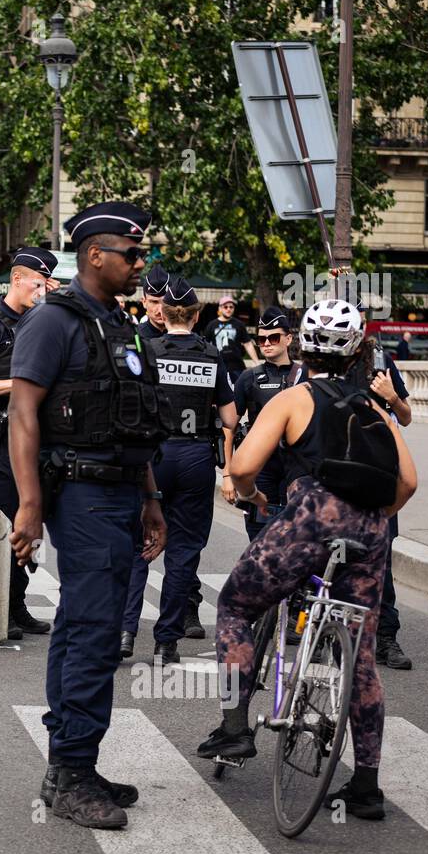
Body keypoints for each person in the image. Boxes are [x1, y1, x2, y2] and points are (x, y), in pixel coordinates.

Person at [199, 298, 417, 820]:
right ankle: (365, 788)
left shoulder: (295, 398)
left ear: (300, 345)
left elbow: (246, 465)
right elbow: (408, 483)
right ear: (358, 351)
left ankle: (234, 729)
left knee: (234, 606)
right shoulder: (374, 407)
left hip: (310, 518)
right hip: (370, 530)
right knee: (361, 658)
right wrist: (372, 516)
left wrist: (247, 492)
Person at [7, 201, 168, 831]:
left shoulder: (120, 326)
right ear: (94, 255)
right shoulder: (53, 322)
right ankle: (72, 773)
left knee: (80, 626)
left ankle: (69, 763)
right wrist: (29, 505)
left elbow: (135, 418)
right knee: (96, 635)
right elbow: (23, 417)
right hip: (82, 497)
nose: (140, 264)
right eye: (132, 254)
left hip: (123, 493)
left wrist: (151, 497)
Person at [121, 276, 236, 661]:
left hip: (152, 457)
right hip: (195, 458)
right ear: (198, 315)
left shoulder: (148, 350)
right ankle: (167, 640)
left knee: (139, 544)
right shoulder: (209, 354)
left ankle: (124, 631)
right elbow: (231, 416)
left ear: (162, 312)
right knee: (183, 550)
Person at [0, 246, 59, 640]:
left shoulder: (46, 322)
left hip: (44, 435)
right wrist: (21, 385)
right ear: (17, 279)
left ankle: (17, 605)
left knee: (33, 523)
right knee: (6, 520)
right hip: (6, 433)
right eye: (40, 282)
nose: (44, 289)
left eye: (49, 283)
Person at [138, 264, 205, 631]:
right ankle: (129, 626)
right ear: (144, 300)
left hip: (186, 446)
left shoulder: (195, 340)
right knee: (141, 536)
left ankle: (187, 607)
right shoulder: (137, 339)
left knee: (183, 540)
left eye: (163, 302)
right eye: (152, 302)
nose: (159, 309)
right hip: (150, 449)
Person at [348, 332, 414, 669]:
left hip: (378, 473)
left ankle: (386, 637)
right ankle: (325, 632)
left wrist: (391, 396)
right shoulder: (321, 362)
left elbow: (405, 416)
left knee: (381, 561)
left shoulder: (380, 361)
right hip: (334, 474)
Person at [231, 307, 304, 541]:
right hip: (261, 465)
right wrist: (226, 475)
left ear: (288, 338)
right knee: (259, 536)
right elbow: (229, 425)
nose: (267, 343)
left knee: (296, 534)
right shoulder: (248, 378)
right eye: (261, 339)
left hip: (296, 464)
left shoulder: (305, 375)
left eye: (273, 337)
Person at [204, 295, 260, 376]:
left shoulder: (239, 324)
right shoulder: (212, 325)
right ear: (220, 308)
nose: (228, 309)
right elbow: (206, 344)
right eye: (225, 307)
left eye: (231, 307)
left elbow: (247, 344)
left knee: (239, 388)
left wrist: (256, 361)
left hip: (237, 366)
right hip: (218, 365)